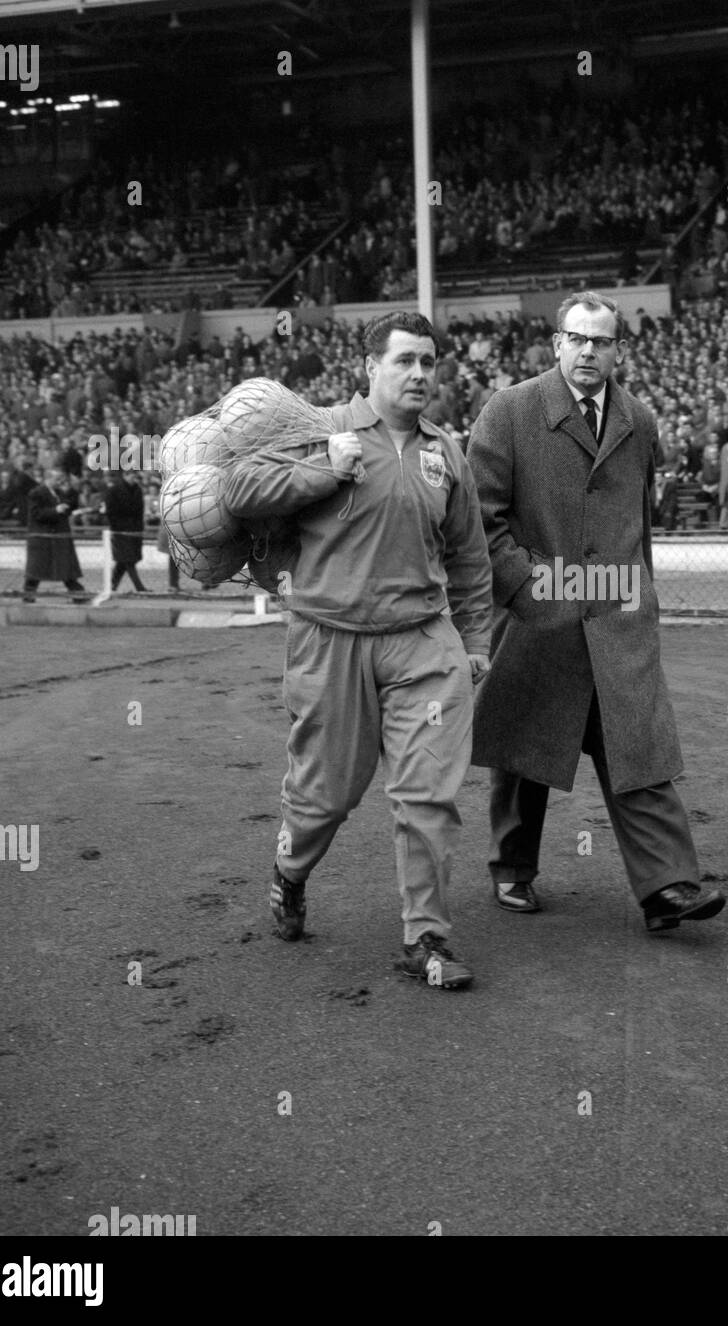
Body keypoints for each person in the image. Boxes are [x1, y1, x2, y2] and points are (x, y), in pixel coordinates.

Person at [222, 313, 493, 990]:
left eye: (429, 362)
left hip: (422, 643)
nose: (419, 374)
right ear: (368, 367)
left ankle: (426, 938)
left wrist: (477, 643)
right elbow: (238, 491)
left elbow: (469, 557)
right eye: (404, 360)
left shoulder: (444, 451)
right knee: (327, 796)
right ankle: (290, 872)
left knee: (427, 794)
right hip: (328, 640)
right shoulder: (320, 428)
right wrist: (320, 470)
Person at [466, 290, 725, 934]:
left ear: (617, 351)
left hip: (617, 614)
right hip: (539, 612)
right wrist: (525, 588)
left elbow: (639, 522)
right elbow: (481, 521)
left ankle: (668, 888)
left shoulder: (638, 419)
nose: (588, 351)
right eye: (577, 339)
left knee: (636, 746)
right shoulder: (510, 411)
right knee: (527, 747)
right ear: (556, 343)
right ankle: (512, 869)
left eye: (601, 341)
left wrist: (642, 597)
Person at [22, 466, 88, 603]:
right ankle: (28, 594)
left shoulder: (58, 492)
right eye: (57, 479)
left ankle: (77, 593)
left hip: (58, 536)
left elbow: (67, 506)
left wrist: (67, 508)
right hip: (42, 538)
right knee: (37, 569)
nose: (60, 482)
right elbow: (36, 514)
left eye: (61, 479)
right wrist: (56, 510)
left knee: (64, 567)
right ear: (48, 478)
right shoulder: (36, 493)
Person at [101, 469, 147, 593]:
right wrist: (117, 528)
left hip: (134, 530)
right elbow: (110, 512)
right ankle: (139, 587)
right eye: (132, 475)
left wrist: (139, 528)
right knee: (128, 559)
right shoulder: (114, 491)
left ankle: (112, 586)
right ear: (125, 475)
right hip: (120, 530)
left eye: (135, 476)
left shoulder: (137, 490)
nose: (134, 478)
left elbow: (140, 511)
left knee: (124, 560)